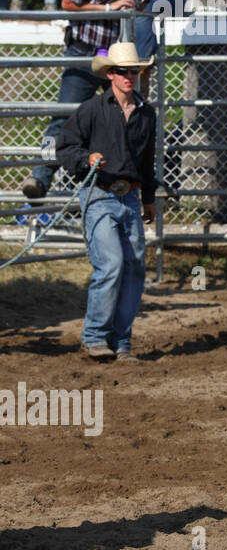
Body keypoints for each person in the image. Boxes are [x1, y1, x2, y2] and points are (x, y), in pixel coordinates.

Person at [20, 0, 163, 202]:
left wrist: (142, 1)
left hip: (116, 55)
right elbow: (68, 3)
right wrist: (110, 7)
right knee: (64, 116)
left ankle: (129, 179)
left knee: (127, 116)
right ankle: (40, 176)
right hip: (85, 51)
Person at [55, 41, 158, 362]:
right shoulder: (91, 110)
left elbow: (146, 161)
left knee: (134, 266)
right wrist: (87, 159)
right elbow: (65, 147)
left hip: (128, 196)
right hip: (98, 193)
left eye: (134, 71)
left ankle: (121, 341)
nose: (130, 76)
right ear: (110, 74)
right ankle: (97, 336)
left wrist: (148, 198)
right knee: (112, 264)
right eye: (124, 71)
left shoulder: (146, 114)